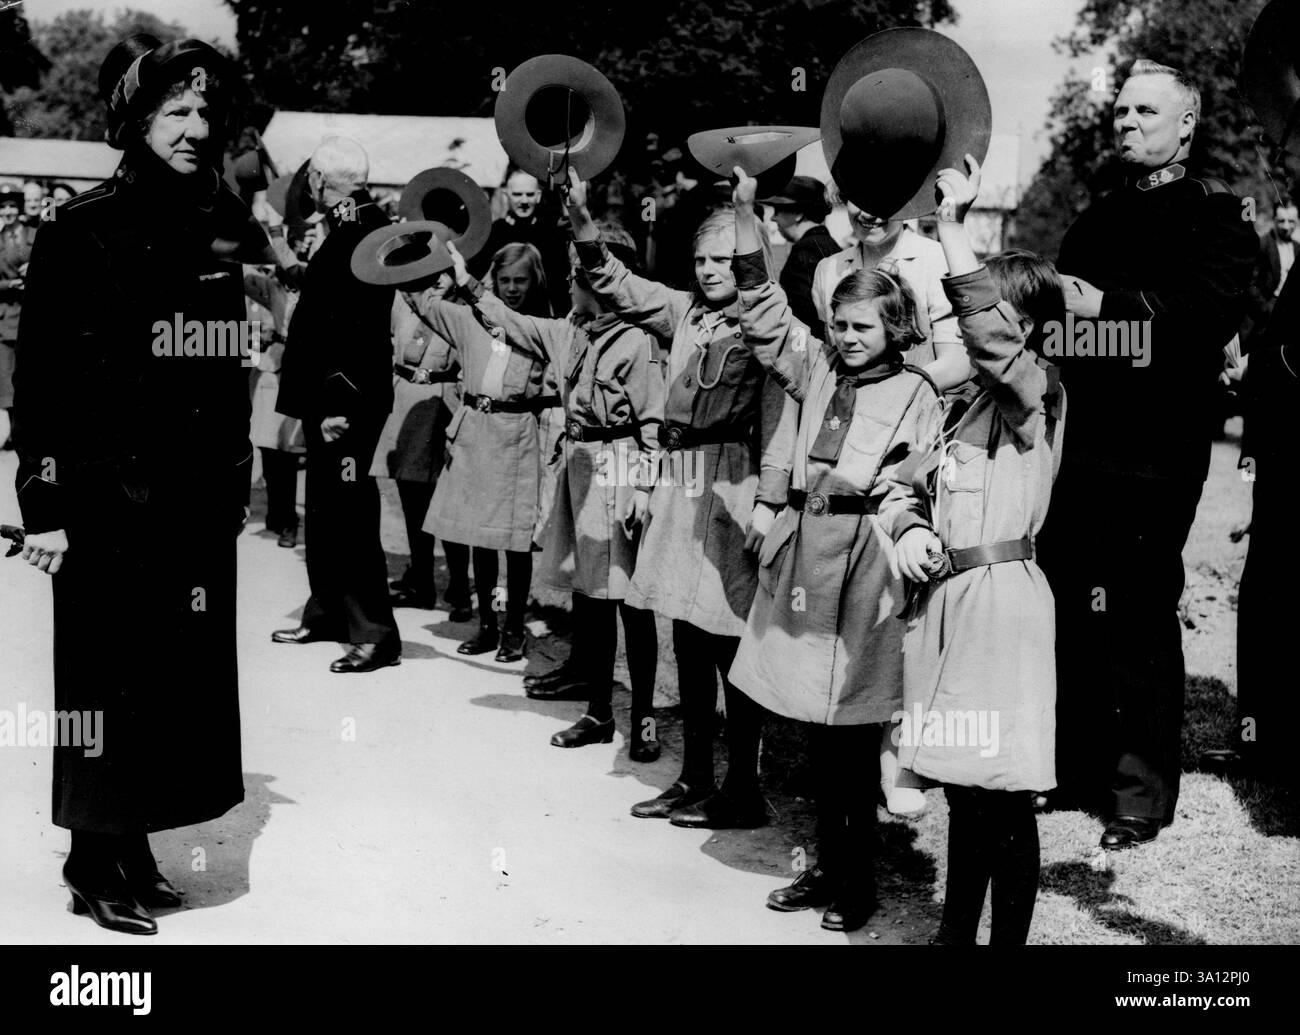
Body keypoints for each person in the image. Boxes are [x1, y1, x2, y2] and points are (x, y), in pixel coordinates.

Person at [11, 34, 257, 935]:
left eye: (205, 113)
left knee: (170, 680)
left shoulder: (218, 224)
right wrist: (45, 506)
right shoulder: (78, 230)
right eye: (176, 113)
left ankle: (136, 846)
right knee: (103, 682)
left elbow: (228, 361)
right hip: (103, 498)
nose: (196, 128)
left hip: (191, 502)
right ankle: (91, 858)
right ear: (138, 121)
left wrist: (234, 479)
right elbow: (36, 382)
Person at [1046, 59, 1256, 848]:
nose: (1125, 121)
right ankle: (1075, 768)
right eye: (1121, 109)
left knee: (1136, 609)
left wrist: (1109, 314)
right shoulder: (1093, 221)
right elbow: (1057, 333)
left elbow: (1199, 328)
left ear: (1187, 124)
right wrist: (1127, 331)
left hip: (1159, 455)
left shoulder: (1217, 218)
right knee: (1072, 601)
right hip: (1084, 447)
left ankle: (1140, 791)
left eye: (1144, 110)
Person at [727, 169, 940, 931]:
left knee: (852, 735)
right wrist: (748, 220)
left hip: (865, 566)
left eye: (865, 329)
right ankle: (823, 865)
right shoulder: (816, 364)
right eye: (841, 325)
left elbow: (913, 482)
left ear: (896, 331)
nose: (849, 339)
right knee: (813, 735)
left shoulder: (914, 392)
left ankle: (858, 880)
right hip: (806, 553)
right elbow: (763, 315)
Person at [566, 169, 796, 828]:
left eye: (722, 258)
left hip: (733, 480)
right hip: (683, 476)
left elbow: (780, 413)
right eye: (700, 259)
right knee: (688, 636)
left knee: (728, 640)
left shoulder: (764, 323)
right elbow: (613, 280)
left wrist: (771, 499)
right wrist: (580, 211)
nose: (709, 269)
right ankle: (695, 775)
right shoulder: (685, 311)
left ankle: (743, 787)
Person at [881, 156, 1066, 944]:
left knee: (1002, 794)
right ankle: (955, 935)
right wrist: (912, 529)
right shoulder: (956, 411)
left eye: (988, 315)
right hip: (947, 606)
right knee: (961, 786)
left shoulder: (1039, 397)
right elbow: (900, 487)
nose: (967, 330)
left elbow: (988, 336)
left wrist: (951, 230)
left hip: (1002, 602)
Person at [446, 225, 664, 761]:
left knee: (631, 605)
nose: (568, 282)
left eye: (577, 274)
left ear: (602, 279)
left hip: (622, 472)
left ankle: (644, 724)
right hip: (583, 468)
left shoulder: (638, 339)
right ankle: (599, 711)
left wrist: (643, 484)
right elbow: (514, 325)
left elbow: (656, 424)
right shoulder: (572, 330)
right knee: (591, 594)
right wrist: (470, 285)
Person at [271, 136, 402, 674]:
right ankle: (327, 610)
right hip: (329, 398)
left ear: (323, 182)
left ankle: (374, 632)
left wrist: (330, 404)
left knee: (347, 509)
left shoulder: (363, 233)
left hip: (343, 400)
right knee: (324, 508)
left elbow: (350, 330)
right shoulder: (354, 227)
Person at [419, 242, 557, 663]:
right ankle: (487, 624)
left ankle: (514, 628)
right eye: (505, 280)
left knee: (514, 542)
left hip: (518, 435)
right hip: (476, 430)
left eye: (521, 280)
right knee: (481, 537)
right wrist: (439, 269)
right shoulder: (468, 322)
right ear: (492, 281)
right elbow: (425, 304)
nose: (512, 288)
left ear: (535, 281)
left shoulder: (537, 326)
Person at [370, 271, 472, 618]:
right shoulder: (404, 302)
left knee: (450, 503)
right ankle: (422, 584)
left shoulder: (464, 311)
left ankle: (460, 588)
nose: (439, 279)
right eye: (432, 271)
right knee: (413, 501)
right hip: (407, 403)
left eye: (447, 271)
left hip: (447, 403)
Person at [245, 255, 303, 548]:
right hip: (271, 370)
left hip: (298, 373)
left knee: (288, 451)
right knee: (268, 447)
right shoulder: (272, 289)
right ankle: (276, 513)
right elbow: (245, 277)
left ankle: (290, 520)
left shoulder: (311, 291)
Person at [470, 168, 570, 314]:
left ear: (538, 196)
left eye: (529, 194)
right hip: (502, 316)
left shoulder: (551, 232)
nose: (524, 201)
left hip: (541, 319)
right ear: (506, 195)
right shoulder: (493, 233)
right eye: (517, 194)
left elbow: (560, 285)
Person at [759, 175, 840, 329]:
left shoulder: (805, 252)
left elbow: (803, 318)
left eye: (778, 210)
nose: (773, 218)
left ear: (798, 214)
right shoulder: (828, 245)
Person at [0, 182, 36, 450]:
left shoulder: (35, 233)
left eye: (13, 206)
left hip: (30, 314)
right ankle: (13, 432)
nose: (9, 212)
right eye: (4, 207)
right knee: (6, 380)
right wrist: (8, 285)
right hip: (4, 318)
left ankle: (28, 431)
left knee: (29, 377)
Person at [1242, 196, 1298, 346]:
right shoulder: (1262, 244)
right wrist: (1266, 311)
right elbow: (1248, 283)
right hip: (1264, 313)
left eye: (1291, 221)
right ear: (1274, 220)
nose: (1286, 227)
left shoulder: (1298, 248)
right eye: (1281, 221)